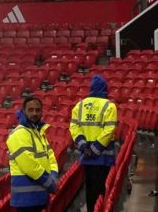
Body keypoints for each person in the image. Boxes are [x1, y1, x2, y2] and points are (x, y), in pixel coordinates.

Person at [69, 75, 118, 212]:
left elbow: (74, 128)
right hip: (102, 157)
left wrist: (84, 147)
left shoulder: (80, 105)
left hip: (87, 156)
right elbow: (109, 130)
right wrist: (94, 149)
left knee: (90, 189)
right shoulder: (109, 106)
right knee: (100, 191)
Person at [7, 97, 59, 212]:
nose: (34, 113)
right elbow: (29, 165)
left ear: (42, 112)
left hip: (40, 196)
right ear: (24, 111)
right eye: (30, 110)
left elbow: (50, 157)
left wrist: (54, 177)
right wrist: (51, 183)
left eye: (37, 110)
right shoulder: (19, 134)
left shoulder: (38, 133)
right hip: (26, 200)